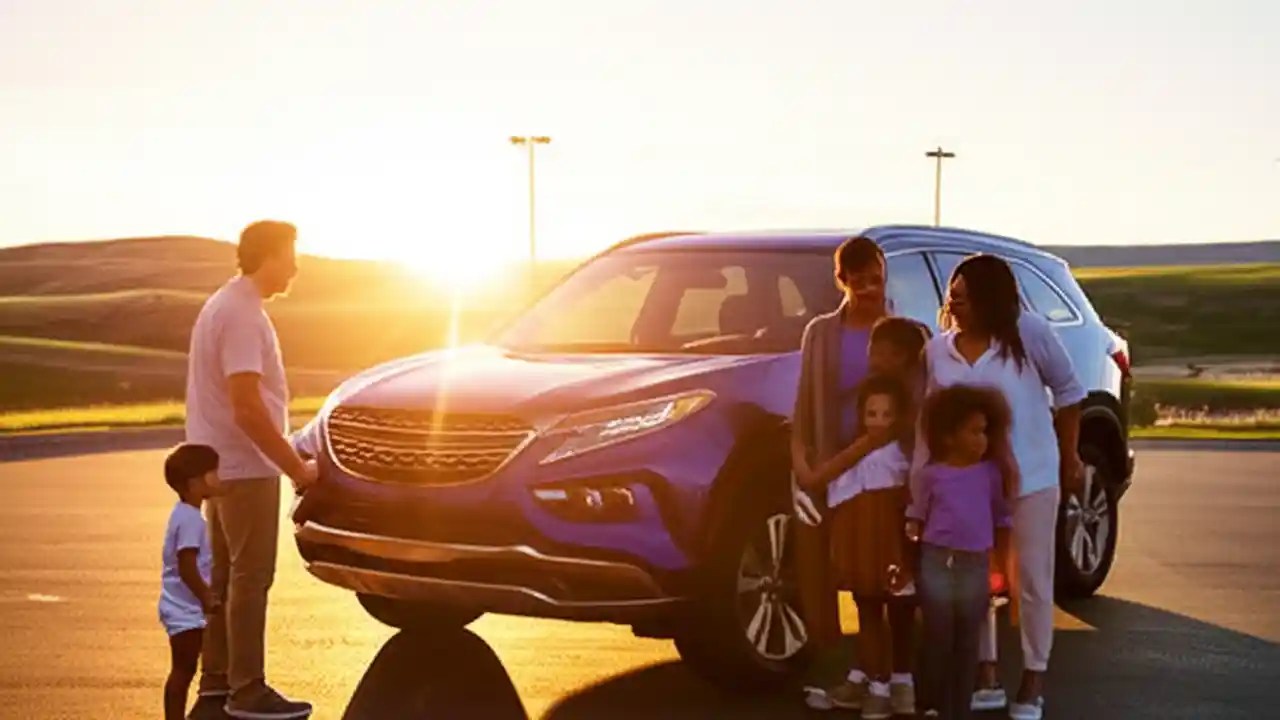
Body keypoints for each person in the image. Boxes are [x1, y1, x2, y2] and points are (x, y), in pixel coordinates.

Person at [919, 254, 1086, 720]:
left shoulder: (1028, 333)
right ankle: (986, 672)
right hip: (971, 487)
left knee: (1030, 578)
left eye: (965, 299)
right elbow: (930, 422)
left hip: (1031, 476)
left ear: (991, 299)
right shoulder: (938, 351)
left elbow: (1070, 393)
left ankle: (1034, 677)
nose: (955, 307)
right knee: (976, 578)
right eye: (952, 299)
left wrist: (1070, 455)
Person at [186, 220, 317, 720]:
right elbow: (246, 406)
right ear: (269, 255)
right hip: (245, 467)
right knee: (250, 577)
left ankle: (217, 682)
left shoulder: (222, 303)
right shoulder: (242, 314)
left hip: (218, 465)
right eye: (289, 256)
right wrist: (296, 468)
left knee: (224, 578)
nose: (295, 267)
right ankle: (248, 690)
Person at [791, 236, 893, 708]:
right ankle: (853, 675)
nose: (870, 288)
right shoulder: (820, 333)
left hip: (884, 473)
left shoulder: (901, 332)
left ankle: (889, 681)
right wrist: (802, 464)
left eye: (877, 278)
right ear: (842, 281)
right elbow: (804, 404)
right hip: (831, 469)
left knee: (880, 582)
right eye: (860, 281)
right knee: (837, 574)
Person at [907, 385, 1014, 720]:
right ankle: (929, 701)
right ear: (948, 436)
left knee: (968, 638)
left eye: (984, 431)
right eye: (973, 432)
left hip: (975, 563)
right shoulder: (931, 476)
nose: (981, 440)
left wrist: (1000, 563)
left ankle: (959, 707)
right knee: (937, 634)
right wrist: (909, 542)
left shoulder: (990, 474)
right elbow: (916, 517)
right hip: (937, 560)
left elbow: (1000, 517)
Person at [818, 375, 914, 719]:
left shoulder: (906, 457)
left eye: (887, 415)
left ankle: (903, 683)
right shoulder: (854, 455)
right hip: (863, 546)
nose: (878, 422)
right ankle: (878, 685)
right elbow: (830, 486)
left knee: (901, 614)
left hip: (896, 547)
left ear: (901, 417)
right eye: (871, 414)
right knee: (868, 612)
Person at [159, 444, 222, 720]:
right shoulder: (191, 520)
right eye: (214, 473)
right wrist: (207, 597)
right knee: (183, 669)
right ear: (195, 482)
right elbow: (187, 565)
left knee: (184, 668)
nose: (219, 478)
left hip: (181, 604)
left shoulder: (184, 513)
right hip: (183, 607)